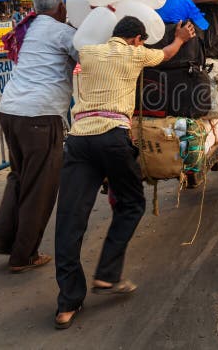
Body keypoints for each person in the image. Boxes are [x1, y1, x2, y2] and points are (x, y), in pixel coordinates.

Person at [53, 16, 195, 329]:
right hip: (112, 138)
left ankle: (67, 304)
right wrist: (182, 38)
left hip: (78, 141)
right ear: (136, 39)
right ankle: (107, 273)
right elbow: (168, 54)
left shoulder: (88, 53)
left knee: (69, 220)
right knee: (132, 203)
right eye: (142, 41)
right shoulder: (134, 54)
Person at [0, 0, 77, 273]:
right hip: (39, 115)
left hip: (11, 111)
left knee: (19, 177)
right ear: (61, 8)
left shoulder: (29, 29)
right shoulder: (62, 32)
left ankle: (4, 241)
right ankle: (24, 254)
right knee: (40, 186)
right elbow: (88, 56)